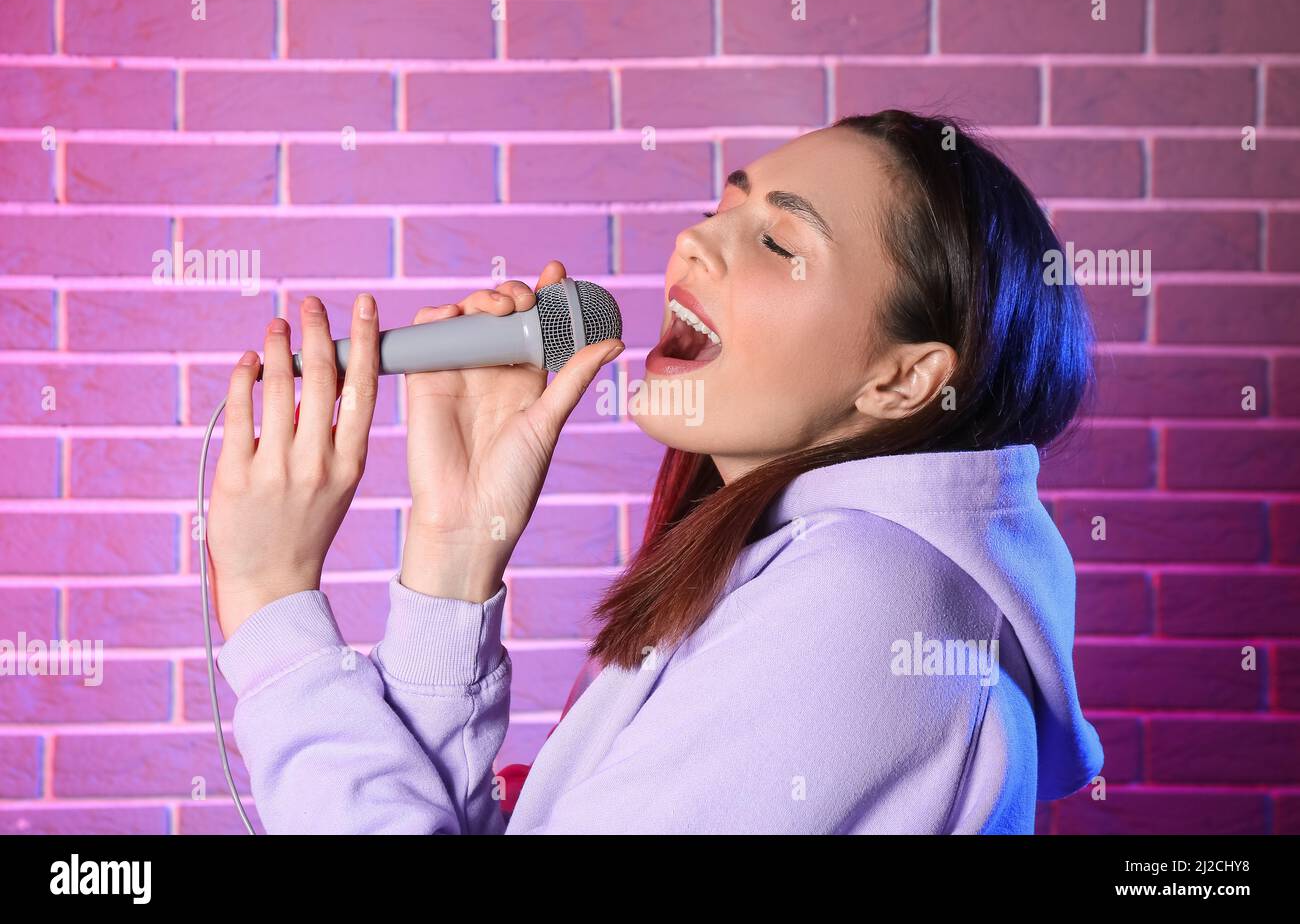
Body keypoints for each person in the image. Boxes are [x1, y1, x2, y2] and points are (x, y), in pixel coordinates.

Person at [206, 109, 1104, 834]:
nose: (698, 239)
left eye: (781, 244)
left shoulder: (871, 599)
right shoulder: (809, 573)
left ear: (904, 379)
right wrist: (452, 553)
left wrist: (272, 607)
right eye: (726, 207)